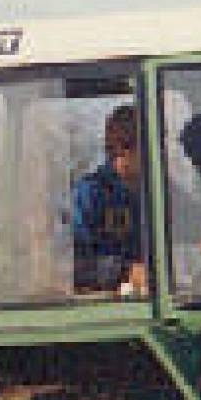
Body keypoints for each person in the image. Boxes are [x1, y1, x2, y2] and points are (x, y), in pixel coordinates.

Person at [72, 105, 146, 293]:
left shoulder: (162, 191)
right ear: (125, 150)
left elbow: (194, 225)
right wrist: (124, 271)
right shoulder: (89, 195)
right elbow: (72, 265)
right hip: (107, 306)